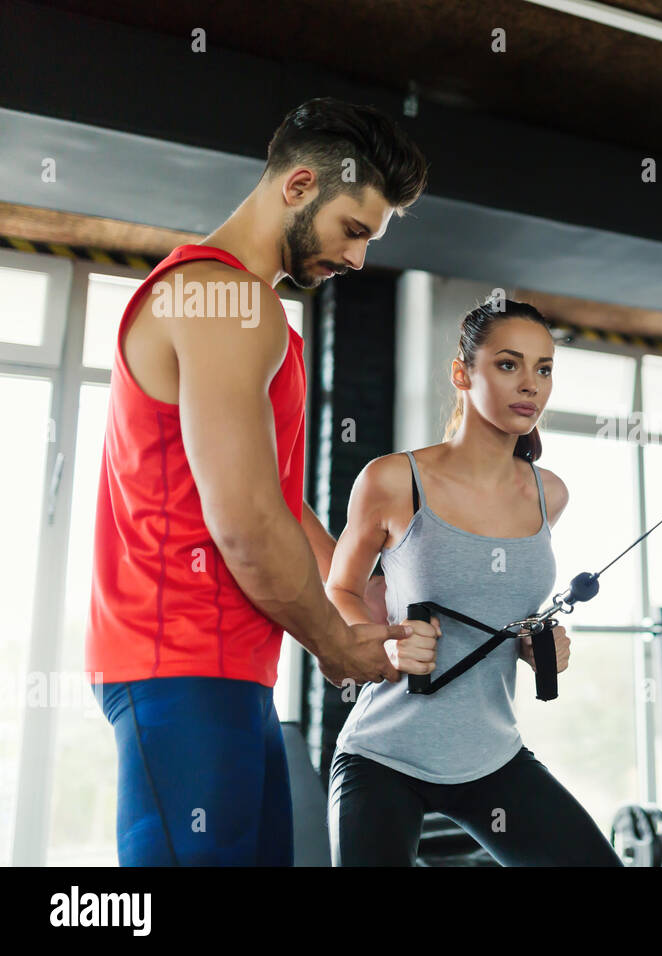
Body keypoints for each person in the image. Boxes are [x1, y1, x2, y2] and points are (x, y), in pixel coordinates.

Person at [85, 98, 430, 866]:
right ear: (300, 185)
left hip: (223, 669)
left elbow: (271, 495)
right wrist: (335, 646)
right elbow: (242, 520)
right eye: (355, 230)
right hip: (182, 663)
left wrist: (360, 585)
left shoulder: (241, 306)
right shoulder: (225, 300)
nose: (359, 259)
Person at [325, 300, 622, 866]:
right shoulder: (393, 479)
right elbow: (340, 590)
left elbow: (508, 610)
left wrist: (540, 646)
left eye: (544, 368)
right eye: (509, 365)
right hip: (384, 753)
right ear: (462, 374)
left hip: (492, 756)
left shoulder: (547, 493)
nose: (530, 384)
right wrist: (383, 641)